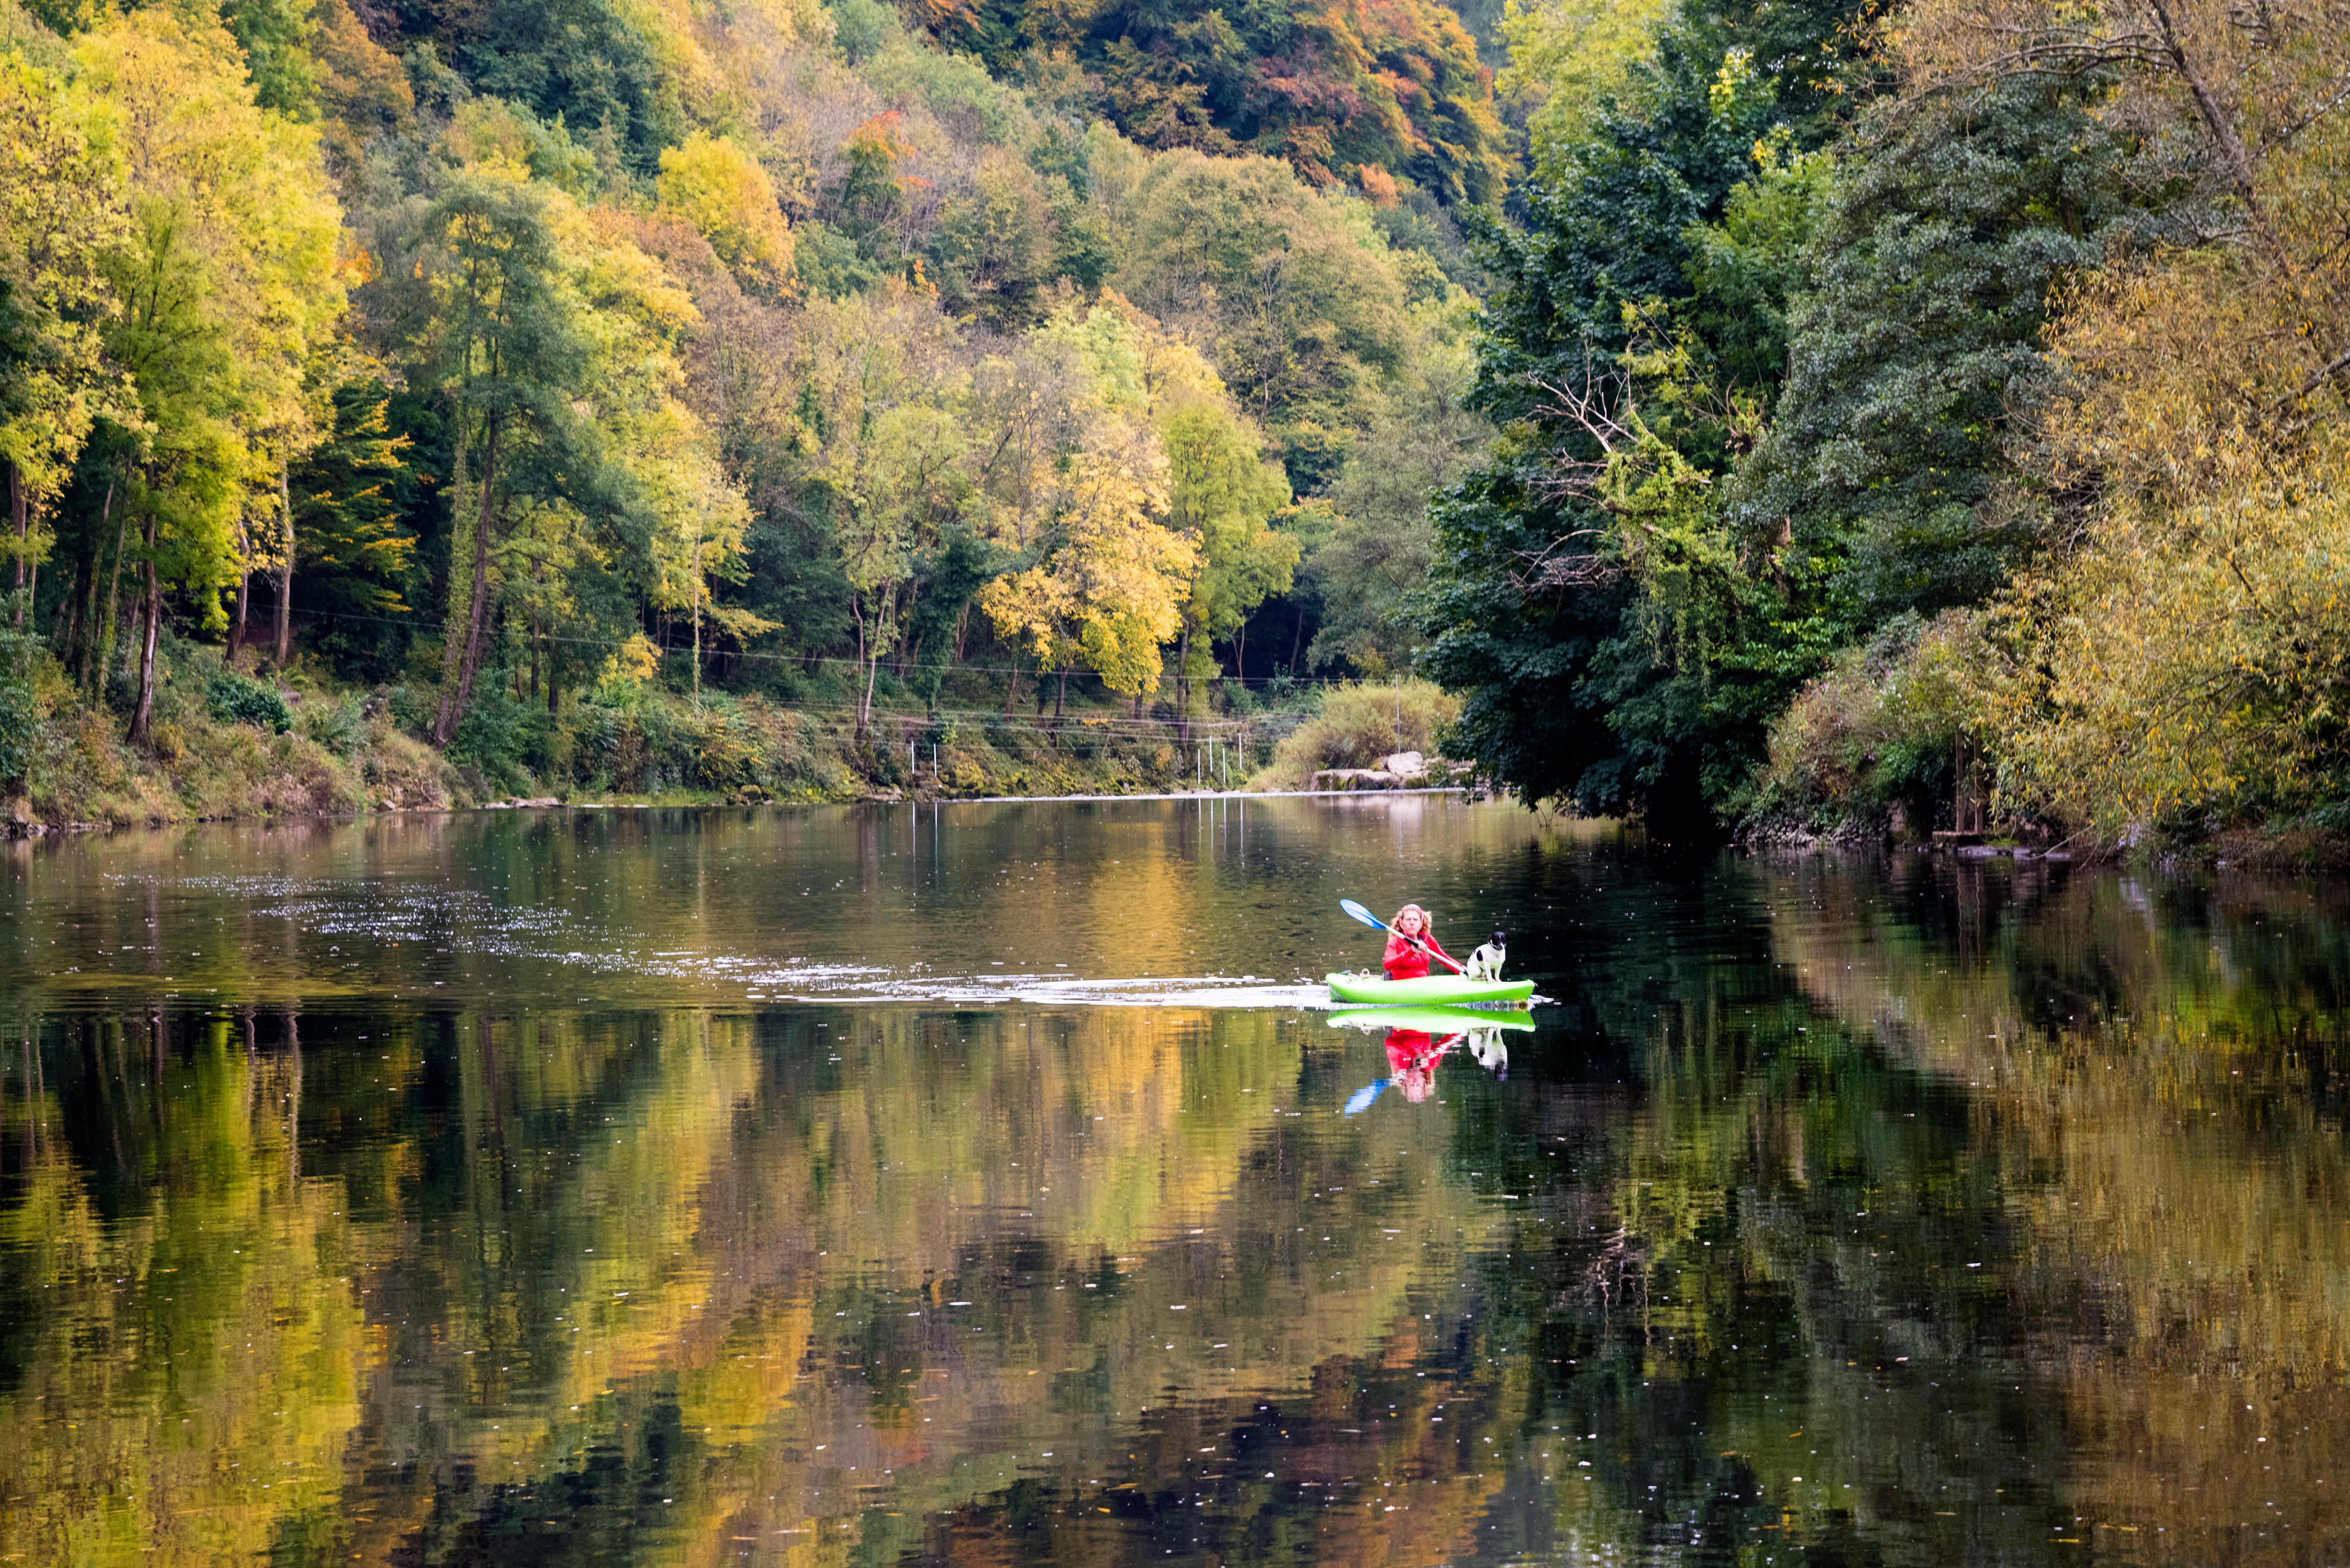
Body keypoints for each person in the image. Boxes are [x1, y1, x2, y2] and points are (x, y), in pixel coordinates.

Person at [1382, 903, 1456, 979]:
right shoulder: (1395, 940)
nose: (1412, 923)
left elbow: (1444, 958)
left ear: (1421, 923)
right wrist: (1411, 951)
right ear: (1401, 923)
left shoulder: (1427, 939)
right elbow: (1387, 964)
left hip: (1424, 985)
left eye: (1416, 920)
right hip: (1402, 987)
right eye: (1408, 919)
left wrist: (1463, 969)